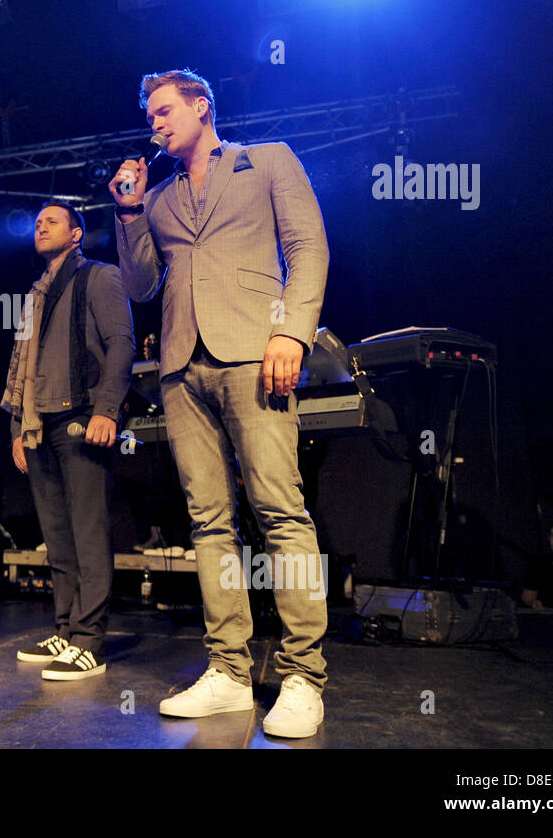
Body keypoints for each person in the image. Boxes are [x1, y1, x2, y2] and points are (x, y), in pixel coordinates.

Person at [111, 69, 330, 737]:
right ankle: (229, 673)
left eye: (166, 109)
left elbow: (306, 247)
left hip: (255, 349)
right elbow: (142, 283)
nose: (156, 122)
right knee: (209, 522)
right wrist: (126, 208)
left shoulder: (265, 161)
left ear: (202, 106)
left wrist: (291, 330)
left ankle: (302, 675)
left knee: (279, 510)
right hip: (182, 365)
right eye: (150, 115)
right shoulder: (160, 197)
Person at [3, 201, 134, 679]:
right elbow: (24, 367)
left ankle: (90, 640)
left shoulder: (100, 277)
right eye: (36, 221)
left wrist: (107, 408)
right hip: (39, 426)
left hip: (81, 417)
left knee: (87, 531)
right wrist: (19, 427)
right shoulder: (34, 294)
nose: (40, 226)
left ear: (76, 234)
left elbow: (121, 342)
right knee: (57, 538)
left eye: (51, 221)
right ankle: (65, 626)